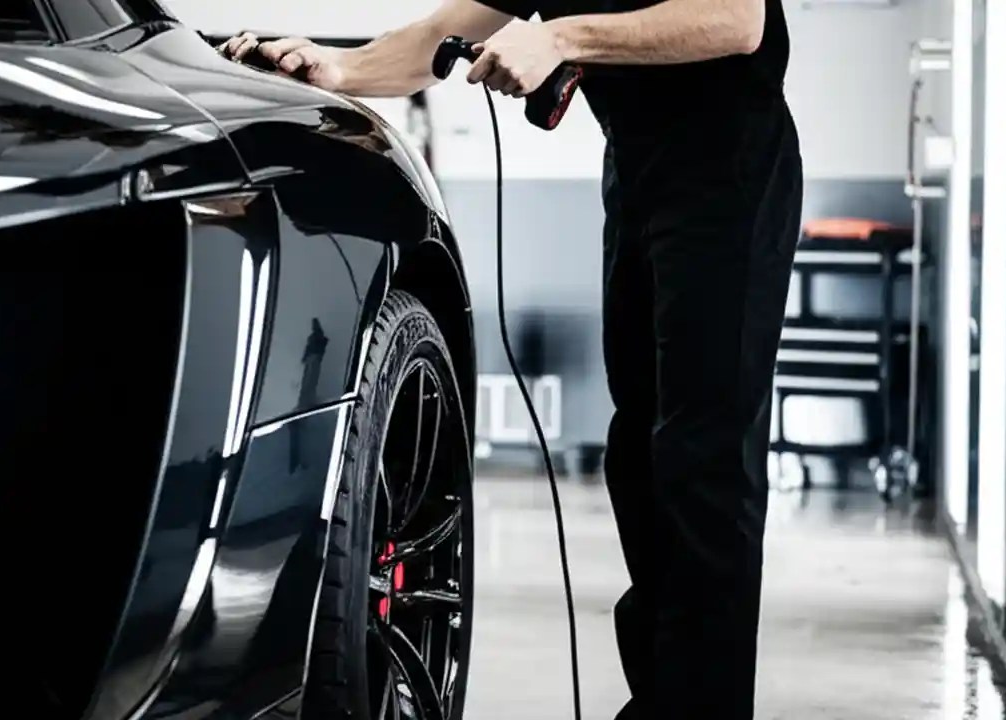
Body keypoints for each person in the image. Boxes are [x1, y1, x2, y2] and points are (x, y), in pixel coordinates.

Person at [219, 1, 801, 717]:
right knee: (642, 459)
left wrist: (560, 36)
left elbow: (734, 21)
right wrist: (337, 66)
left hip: (730, 169)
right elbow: (442, 35)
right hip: (640, 171)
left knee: (704, 460)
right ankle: (665, 699)